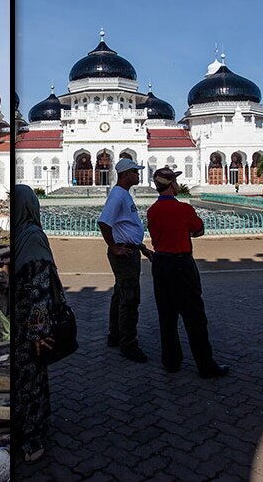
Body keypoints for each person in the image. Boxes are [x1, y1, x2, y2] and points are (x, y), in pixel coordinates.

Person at [144, 167, 229, 378]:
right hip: (181, 264)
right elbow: (199, 229)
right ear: (173, 184)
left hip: (161, 264)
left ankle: (171, 361)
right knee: (194, 317)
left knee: (167, 315)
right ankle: (205, 365)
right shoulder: (184, 209)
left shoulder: (152, 211)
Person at [13, 184, 63, 463]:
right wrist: (37, 331)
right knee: (27, 379)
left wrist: (37, 330)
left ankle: (32, 435)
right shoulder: (28, 236)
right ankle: (29, 434)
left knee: (28, 379)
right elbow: (39, 286)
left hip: (27, 326)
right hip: (25, 327)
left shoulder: (25, 236)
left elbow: (39, 287)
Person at [98, 158, 148, 362]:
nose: (138, 175)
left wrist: (143, 247)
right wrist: (114, 248)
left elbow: (127, 226)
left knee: (120, 294)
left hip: (130, 250)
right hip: (124, 254)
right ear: (126, 174)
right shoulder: (118, 196)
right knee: (130, 298)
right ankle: (128, 344)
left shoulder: (123, 194)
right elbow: (103, 222)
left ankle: (115, 334)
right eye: (135, 172)